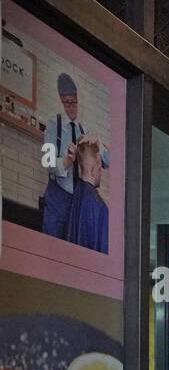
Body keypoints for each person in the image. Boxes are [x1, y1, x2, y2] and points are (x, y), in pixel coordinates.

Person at [40, 73, 110, 240]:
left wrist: (98, 144)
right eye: (67, 103)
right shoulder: (52, 126)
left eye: (74, 102)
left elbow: (109, 162)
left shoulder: (84, 130)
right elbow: (47, 162)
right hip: (57, 198)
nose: (71, 107)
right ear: (60, 100)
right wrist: (65, 161)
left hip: (78, 202)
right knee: (52, 246)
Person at [64, 140, 109, 252]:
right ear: (93, 170)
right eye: (99, 169)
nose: (101, 173)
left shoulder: (74, 196)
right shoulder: (100, 208)